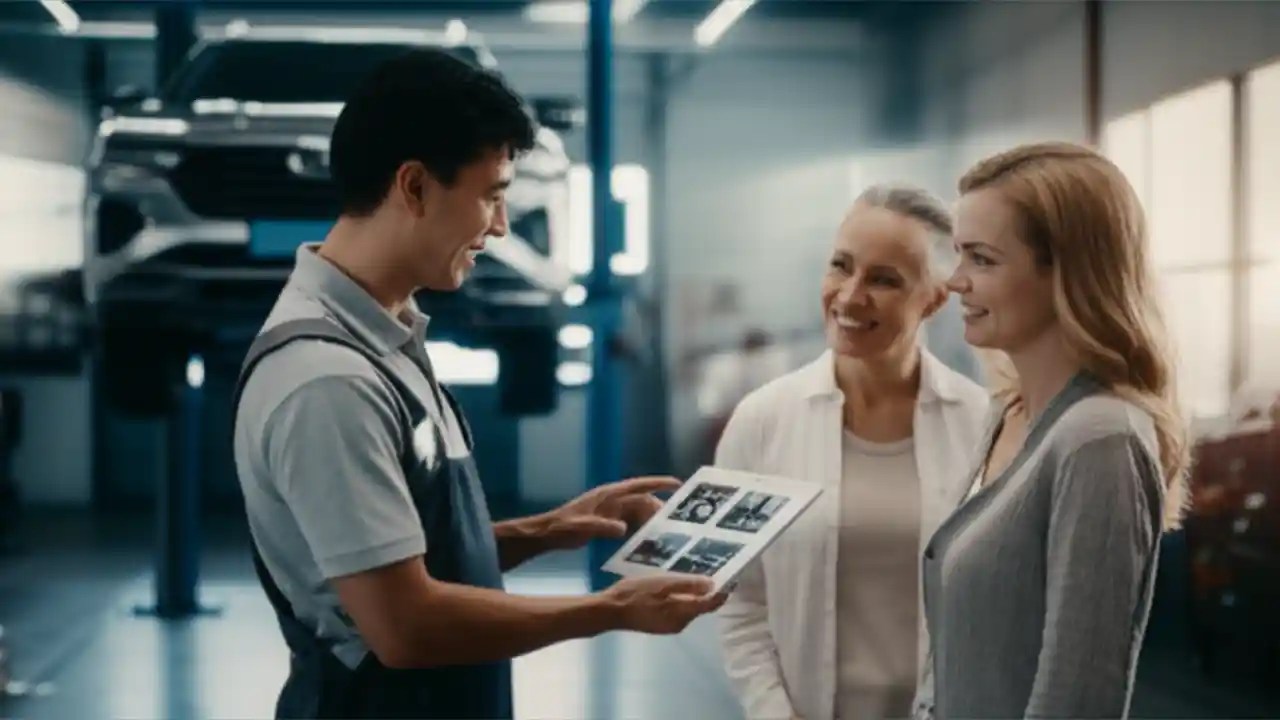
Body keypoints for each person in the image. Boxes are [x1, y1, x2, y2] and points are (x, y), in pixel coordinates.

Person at [231, 49, 725, 720]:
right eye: (492, 195)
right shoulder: (327, 380)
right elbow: (405, 625)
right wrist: (608, 610)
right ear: (413, 187)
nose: (500, 227)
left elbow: (406, 553)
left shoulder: (381, 338)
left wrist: (549, 528)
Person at [916, 141, 1190, 719]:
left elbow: (1077, 699)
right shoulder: (1006, 413)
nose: (955, 281)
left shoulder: (1101, 438)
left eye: (982, 260)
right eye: (959, 255)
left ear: (1068, 272)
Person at [716, 185, 991, 720]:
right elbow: (741, 599)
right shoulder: (762, 420)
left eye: (884, 280)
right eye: (841, 266)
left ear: (935, 298)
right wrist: (774, 713)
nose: (849, 296)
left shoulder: (982, 424)